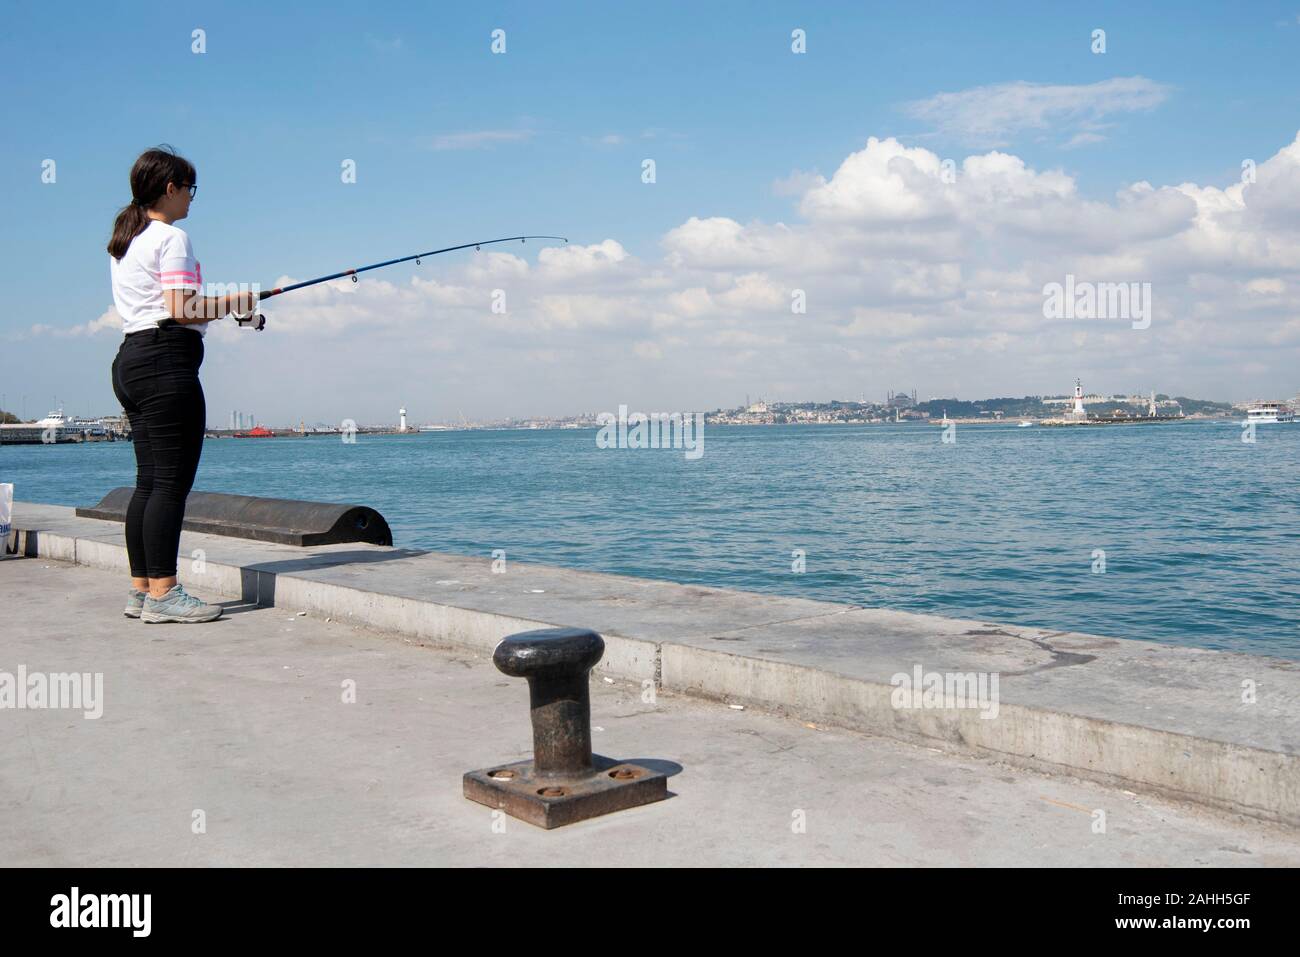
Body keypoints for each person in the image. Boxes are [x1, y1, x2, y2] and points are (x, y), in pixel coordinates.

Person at [107, 145, 259, 623]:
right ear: (169, 189)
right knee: (170, 485)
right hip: (166, 362)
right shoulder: (171, 238)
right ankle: (164, 594)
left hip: (131, 360)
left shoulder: (126, 241)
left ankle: (141, 590)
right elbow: (181, 309)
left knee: (148, 483)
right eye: (189, 188)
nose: (193, 198)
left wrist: (230, 306)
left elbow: (166, 306)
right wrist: (237, 300)